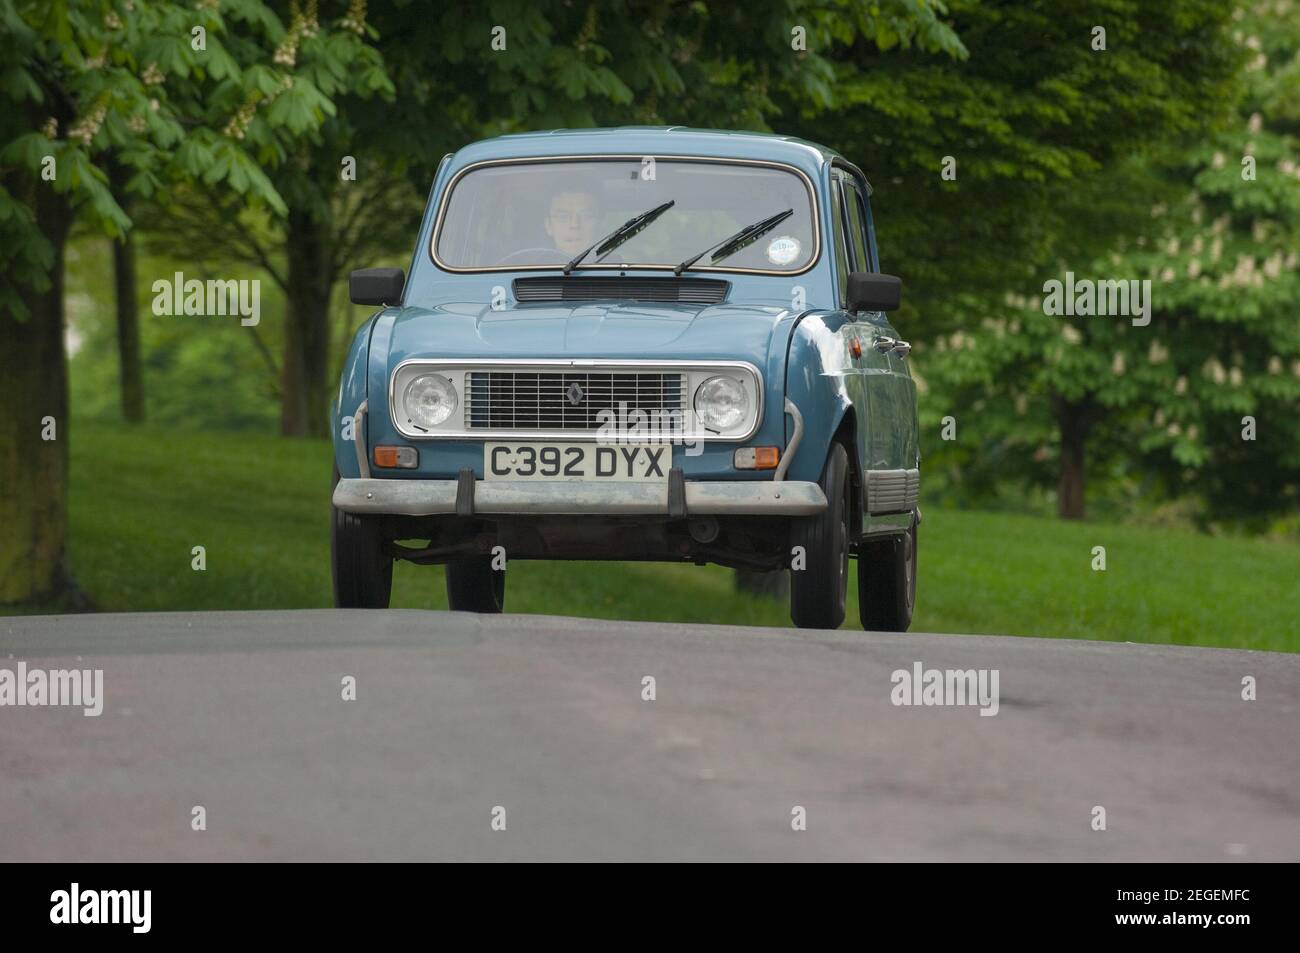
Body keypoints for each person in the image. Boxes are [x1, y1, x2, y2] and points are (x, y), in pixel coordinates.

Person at [543, 189, 599, 256]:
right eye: (563, 217)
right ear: (549, 226)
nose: (574, 225)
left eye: (585, 216)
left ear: (599, 223)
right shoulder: (533, 264)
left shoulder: (613, 264)